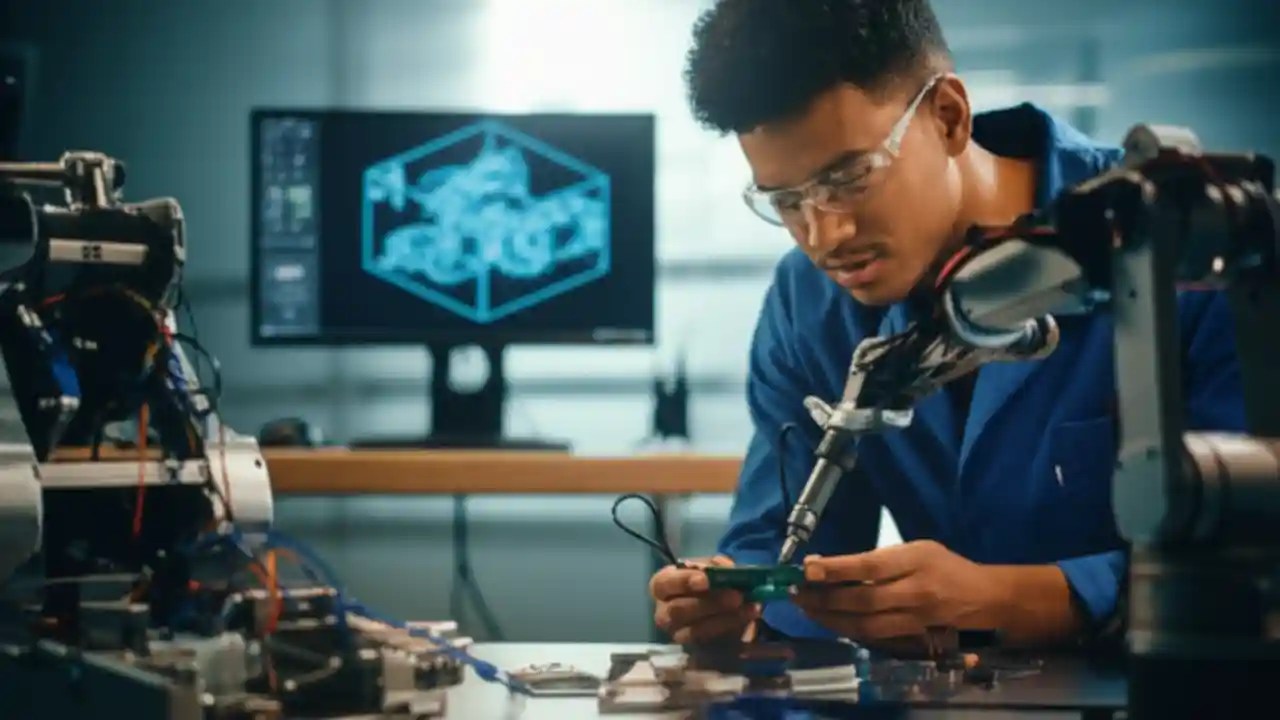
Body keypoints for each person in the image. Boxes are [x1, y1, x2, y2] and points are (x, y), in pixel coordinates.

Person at [649, 0, 1245, 650]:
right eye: (787, 202)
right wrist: (739, 603)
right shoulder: (807, 303)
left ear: (948, 117)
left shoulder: (1187, 248)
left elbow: (1249, 555)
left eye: (850, 178)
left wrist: (1019, 600)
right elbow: (783, 546)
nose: (825, 237)